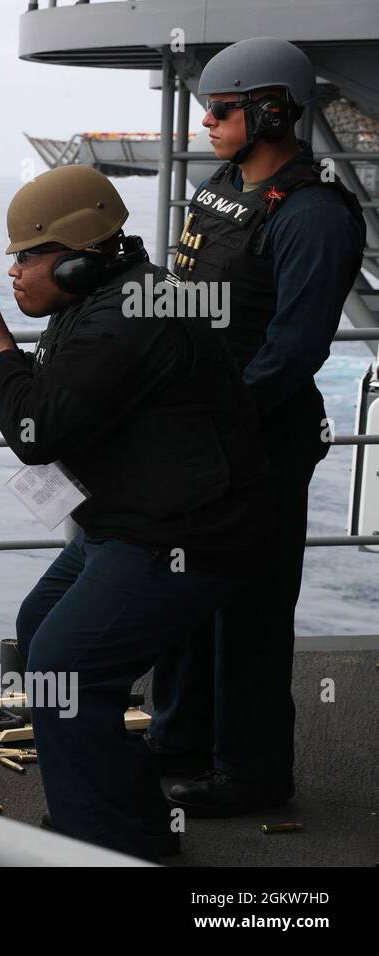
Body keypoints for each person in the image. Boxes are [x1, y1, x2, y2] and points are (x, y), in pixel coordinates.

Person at [0, 163, 270, 861]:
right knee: (42, 629)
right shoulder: (108, 299)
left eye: (26, 256)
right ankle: (118, 806)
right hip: (136, 515)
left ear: (76, 258)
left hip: (187, 532)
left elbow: (39, 431)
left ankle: (112, 843)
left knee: (66, 663)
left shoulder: (131, 313)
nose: (14, 272)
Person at [147, 37, 365, 817]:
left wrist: (216, 422)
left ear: (270, 111)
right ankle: (179, 743)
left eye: (222, 109)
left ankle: (250, 772)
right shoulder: (226, 186)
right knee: (186, 600)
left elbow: (293, 349)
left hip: (259, 442)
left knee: (252, 610)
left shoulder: (313, 217)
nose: (205, 121)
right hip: (199, 437)